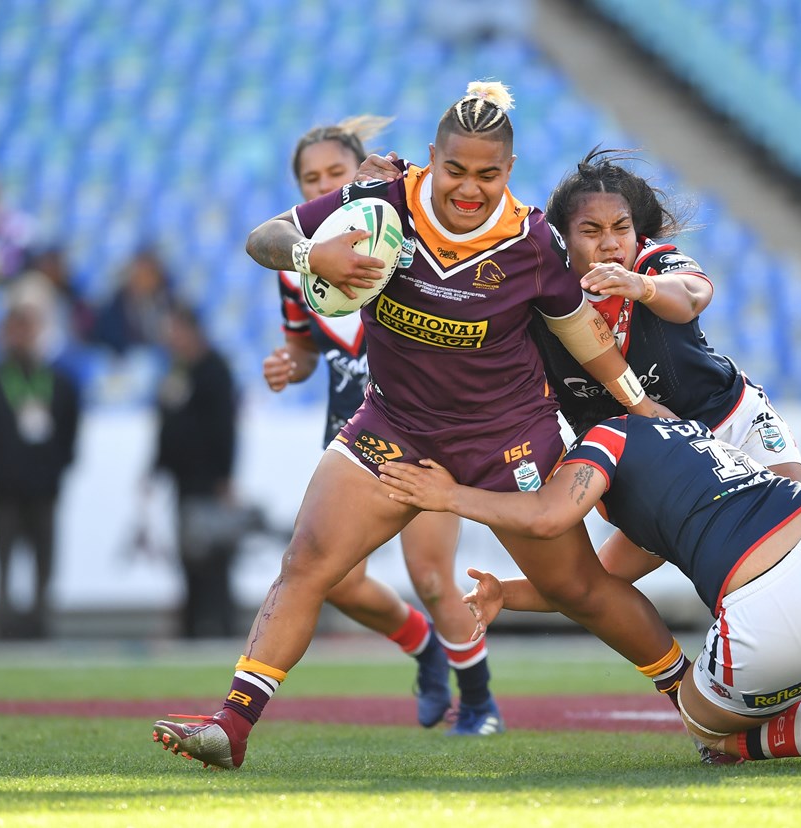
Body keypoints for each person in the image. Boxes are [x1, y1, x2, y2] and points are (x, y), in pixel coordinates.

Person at [152, 81, 672, 770]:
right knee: (307, 562)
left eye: (488, 174)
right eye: (456, 169)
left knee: (577, 590)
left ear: (508, 172)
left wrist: (637, 401)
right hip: (393, 427)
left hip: (507, 439)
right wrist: (315, 255)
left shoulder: (530, 241)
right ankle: (232, 726)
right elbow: (264, 237)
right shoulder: (379, 203)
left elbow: (580, 331)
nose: (469, 187)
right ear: (433, 157)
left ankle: (697, 696)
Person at [379, 413, 801, 769]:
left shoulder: (605, 440)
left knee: (707, 730)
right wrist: (513, 591)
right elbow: (599, 580)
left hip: (771, 600)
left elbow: (552, 515)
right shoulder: (677, 444)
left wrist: (451, 496)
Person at [538, 149, 801, 724]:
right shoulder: (543, 307)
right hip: (655, 464)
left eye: (621, 228)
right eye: (590, 232)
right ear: (564, 241)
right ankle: (704, 691)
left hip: (732, 423)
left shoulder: (658, 263)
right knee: (595, 584)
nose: (610, 243)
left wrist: (636, 286)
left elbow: (692, 296)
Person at [265, 115, 498, 734]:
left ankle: (477, 700)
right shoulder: (299, 268)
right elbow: (309, 344)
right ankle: (422, 645)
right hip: (349, 431)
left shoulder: (407, 242)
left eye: (335, 173)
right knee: (334, 581)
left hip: (422, 427)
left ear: (358, 174)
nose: (323, 184)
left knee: (429, 573)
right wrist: (293, 361)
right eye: (310, 178)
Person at [0, 295, 79, 639]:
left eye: (27, 329)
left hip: (45, 489)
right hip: (6, 491)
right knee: (4, 561)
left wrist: (53, 471)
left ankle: (40, 622)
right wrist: (1, 470)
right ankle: (2, 624)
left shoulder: (58, 383)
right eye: (15, 330)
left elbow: (70, 434)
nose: (21, 337)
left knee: (44, 562)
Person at [150, 304, 243, 638]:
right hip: (183, 480)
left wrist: (226, 475)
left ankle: (220, 625)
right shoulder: (177, 372)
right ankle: (192, 625)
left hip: (208, 480)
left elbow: (226, 428)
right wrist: (155, 468)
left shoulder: (214, 370)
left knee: (214, 555)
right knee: (188, 555)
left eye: (175, 331)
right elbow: (165, 426)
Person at [92, 247, 174, 355]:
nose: (147, 279)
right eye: (142, 274)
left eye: (151, 273)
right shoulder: (114, 308)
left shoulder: (167, 302)